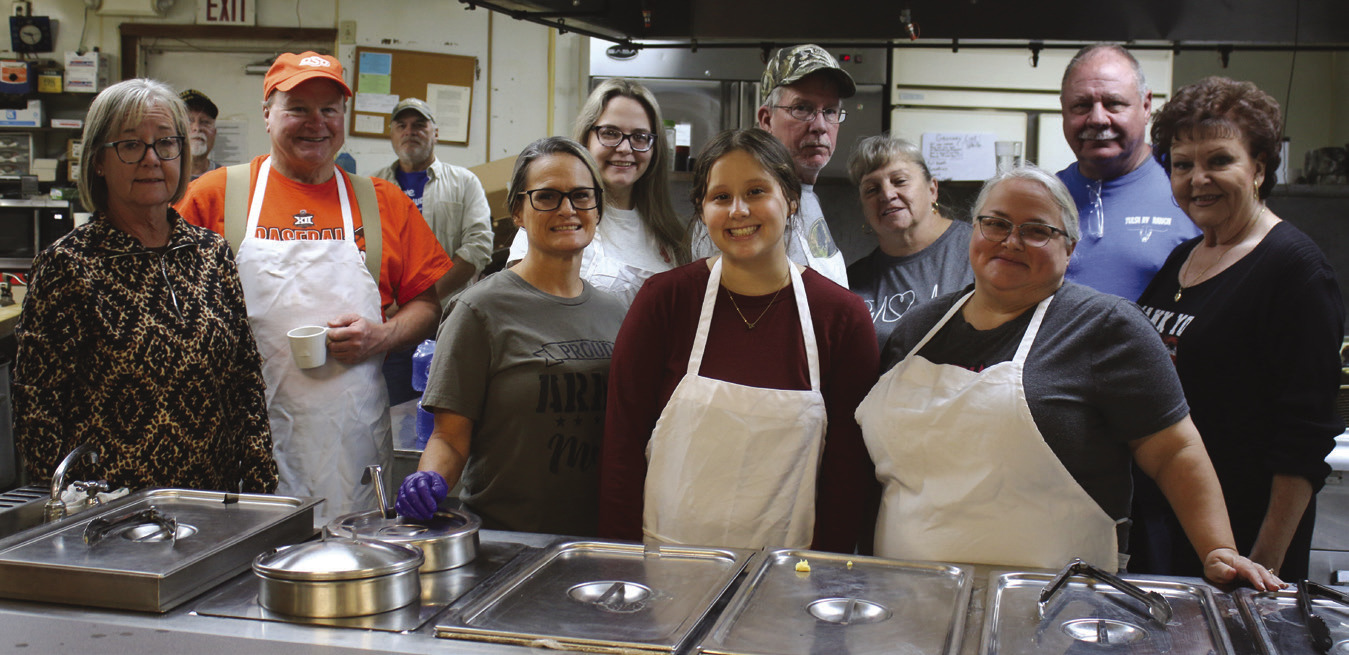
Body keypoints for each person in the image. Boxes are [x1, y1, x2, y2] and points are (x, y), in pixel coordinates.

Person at [856, 163, 1280, 589]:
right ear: (974, 231)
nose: (1011, 241)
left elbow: (1173, 450)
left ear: (1070, 248)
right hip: (908, 591)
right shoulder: (917, 329)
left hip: (1056, 601)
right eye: (996, 224)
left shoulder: (1106, 328)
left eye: (1037, 230)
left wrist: (1217, 549)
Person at [177, 52, 453, 522]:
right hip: (244, 442)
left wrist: (381, 335)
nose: (316, 123)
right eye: (298, 108)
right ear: (267, 114)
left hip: (352, 445)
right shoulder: (216, 195)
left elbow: (427, 304)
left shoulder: (381, 203)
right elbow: (172, 308)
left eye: (329, 109)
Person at [599, 128, 878, 553]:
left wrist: (822, 575)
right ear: (702, 208)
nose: (738, 210)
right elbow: (622, 446)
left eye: (756, 191)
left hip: (788, 573)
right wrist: (621, 567)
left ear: (791, 199)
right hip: (665, 563)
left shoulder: (841, 317)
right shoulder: (664, 301)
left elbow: (847, 472)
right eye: (721, 197)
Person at [13, 79, 275, 493]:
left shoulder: (212, 253)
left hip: (211, 508)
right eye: (131, 145)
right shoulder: (69, 265)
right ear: (98, 160)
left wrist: (259, 489)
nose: (152, 159)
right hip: (113, 520)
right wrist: (78, 505)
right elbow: (36, 409)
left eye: (166, 143)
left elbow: (245, 382)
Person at [1132, 77, 1344, 581]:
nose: (1197, 178)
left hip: (1243, 536)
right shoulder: (1185, 256)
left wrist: (1263, 562)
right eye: (1182, 165)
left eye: (1219, 161)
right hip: (1169, 520)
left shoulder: (1296, 271)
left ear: (1259, 169)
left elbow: (1304, 442)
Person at [395, 137, 625, 535]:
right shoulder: (479, 310)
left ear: (597, 208)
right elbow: (449, 438)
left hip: (598, 542)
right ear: (517, 210)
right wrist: (429, 479)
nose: (568, 209)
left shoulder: (616, 314)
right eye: (547, 197)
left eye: (581, 196)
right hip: (507, 542)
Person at [507, 78, 687, 306]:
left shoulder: (673, 234)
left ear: (655, 148)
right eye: (611, 133)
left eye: (640, 137)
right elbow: (521, 309)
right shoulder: (551, 221)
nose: (625, 148)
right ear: (586, 138)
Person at [691, 44, 853, 288]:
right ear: (766, 119)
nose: (820, 125)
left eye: (830, 111)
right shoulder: (742, 209)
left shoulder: (804, 192)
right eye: (802, 108)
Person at [372, 97, 493, 404]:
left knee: (447, 417)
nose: (409, 131)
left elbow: (477, 247)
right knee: (393, 414)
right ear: (392, 134)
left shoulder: (464, 182)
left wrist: (418, 301)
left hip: (449, 326)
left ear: (435, 132)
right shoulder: (372, 187)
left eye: (419, 124)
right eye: (401, 125)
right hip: (390, 328)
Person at [1056, 44, 1200, 300]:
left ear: (1146, 106)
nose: (1098, 119)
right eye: (1081, 105)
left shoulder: (1190, 185)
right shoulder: (1047, 196)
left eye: (1114, 103)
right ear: (1063, 109)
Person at [846, 134, 973, 348]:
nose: (887, 194)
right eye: (872, 189)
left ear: (932, 189)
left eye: (900, 181)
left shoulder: (979, 250)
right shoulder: (852, 281)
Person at [180, 89, 223, 180]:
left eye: (205, 122)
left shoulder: (225, 178)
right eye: (189, 121)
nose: (197, 128)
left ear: (214, 133)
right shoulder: (162, 176)